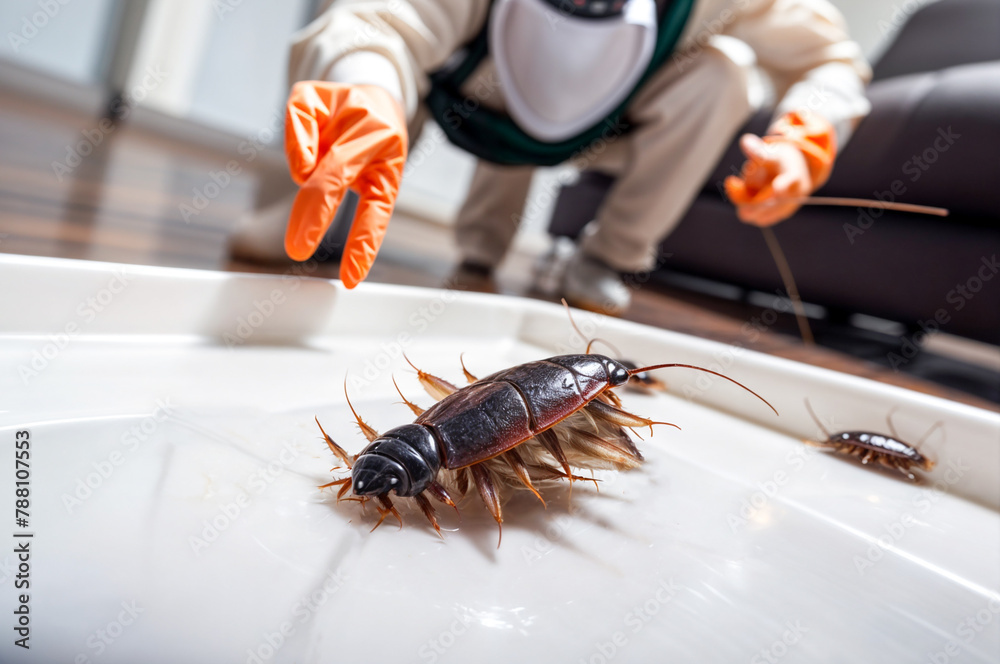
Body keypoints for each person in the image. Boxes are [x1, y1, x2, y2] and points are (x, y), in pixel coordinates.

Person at [232, 0, 870, 314]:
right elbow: (378, 21)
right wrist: (368, 84)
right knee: (373, 100)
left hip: (610, 121)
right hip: (463, 87)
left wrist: (806, 132)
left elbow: (830, 58)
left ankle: (609, 256)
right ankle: (330, 209)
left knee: (727, 70)